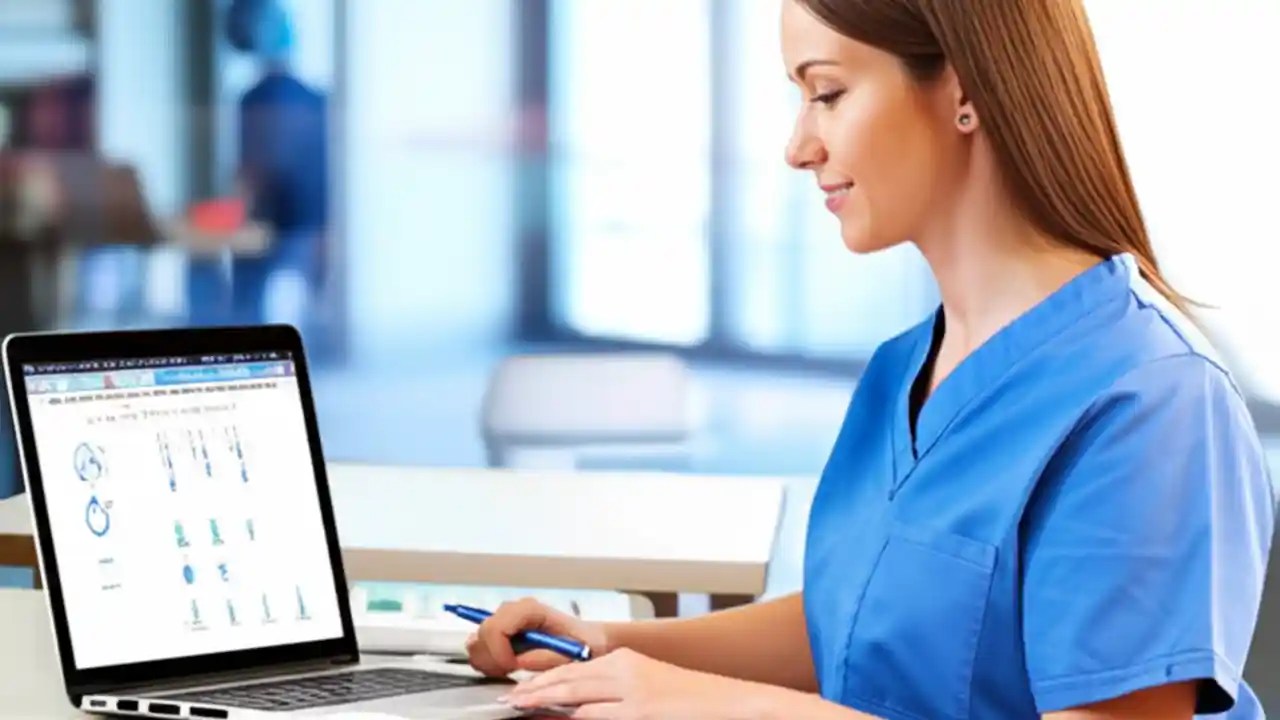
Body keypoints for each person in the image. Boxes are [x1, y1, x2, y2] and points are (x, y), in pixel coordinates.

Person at [465, 2, 1276, 719]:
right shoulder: (905, 368)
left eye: (827, 93)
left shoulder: (1153, 402)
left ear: (964, 90)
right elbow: (868, 620)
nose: (797, 146)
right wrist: (609, 646)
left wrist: (721, 709)